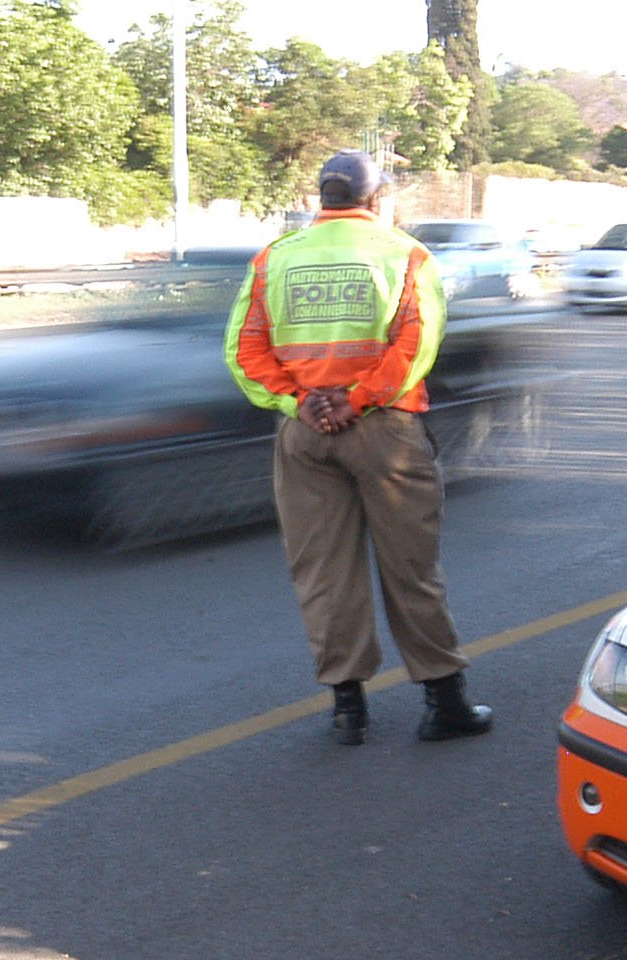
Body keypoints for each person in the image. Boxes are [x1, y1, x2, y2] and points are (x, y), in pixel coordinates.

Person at [225, 149, 491, 745]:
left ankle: (348, 709)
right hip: (385, 430)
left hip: (306, 434)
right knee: (411, 568)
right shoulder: (405, 253)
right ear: (377, 198)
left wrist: (301, 402)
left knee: (324, 572)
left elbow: (245, 352)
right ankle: (444, 702)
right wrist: (359, 398)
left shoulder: (275, 258)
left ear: (321, 198)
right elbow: (417, 343)